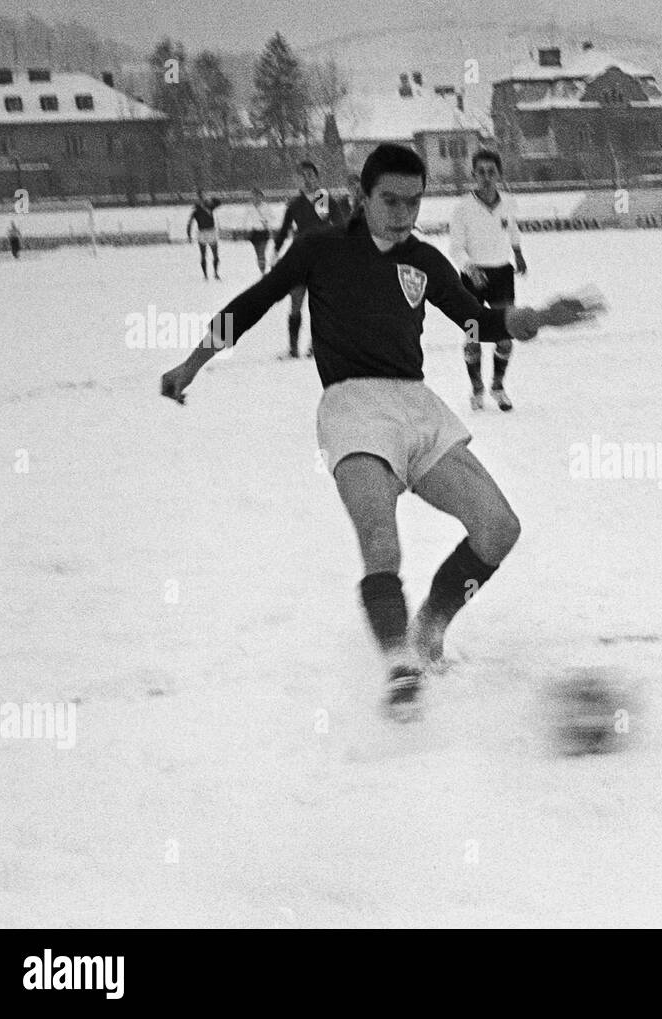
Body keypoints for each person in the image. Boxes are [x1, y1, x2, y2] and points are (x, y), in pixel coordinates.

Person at [159, 143, 604, 716]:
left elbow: (480, 319)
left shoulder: (423, 260)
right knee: (381, 544)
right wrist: (191, 363)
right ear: (361, 196)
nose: (403, 214)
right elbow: (249, 305)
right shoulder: (320, 250)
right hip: (351, 408)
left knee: (498, 527)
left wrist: (535, 317)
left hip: (417, 407)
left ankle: (429, 629)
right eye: (390, 201)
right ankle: (399, 663)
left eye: (413, 202)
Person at [448, 149, 527, 412]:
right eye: (480, 172)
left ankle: (498, 385)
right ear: (473, 174)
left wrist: (518, 254)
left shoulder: (508, 203)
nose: (486, 177)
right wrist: (470, 269)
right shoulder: (462, 208)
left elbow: (512, 229)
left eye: (491, 171)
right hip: (471, 280)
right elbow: (456, 248)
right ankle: (477, 388)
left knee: (505, 336)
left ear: (499, 174)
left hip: (502, 276)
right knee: (472, 335)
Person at [274, 160, 336, 358]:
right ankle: (293, 348)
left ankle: (315, 346)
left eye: (311, 175)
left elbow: (340, 224)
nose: (308, 179)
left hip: (322, 259)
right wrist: (275, 251)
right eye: (304, 176)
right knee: (296, 302)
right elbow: (284, 230)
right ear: (298, 180)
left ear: (317, 177)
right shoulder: (295, 204)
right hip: (300, 258)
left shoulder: (323, 199)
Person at [187, 190, 222, 280]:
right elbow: (190, 223)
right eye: (201, 197)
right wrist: (189, 235)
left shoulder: (209, 206)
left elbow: (219, 202)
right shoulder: (197, 208)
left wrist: (210, 199)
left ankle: (214, 273)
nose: (202, 198)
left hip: (210, 231)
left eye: (203, 196)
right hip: (203, 232)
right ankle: (207, 275)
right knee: (204, 254)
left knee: (214, 254)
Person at [243, 188, 273, 274]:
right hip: (254, 233)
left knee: (261, 252)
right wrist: (246, 229)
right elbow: (246, 220)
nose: (256, 198)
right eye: (254, 196)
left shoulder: (266, 206)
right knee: (258, 253)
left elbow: (272, 217)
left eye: (258, 196)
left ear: (261, 197)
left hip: (263, 232)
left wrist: (266, 220)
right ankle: (262, 268)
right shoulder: (249, 207)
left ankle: (263, 272)